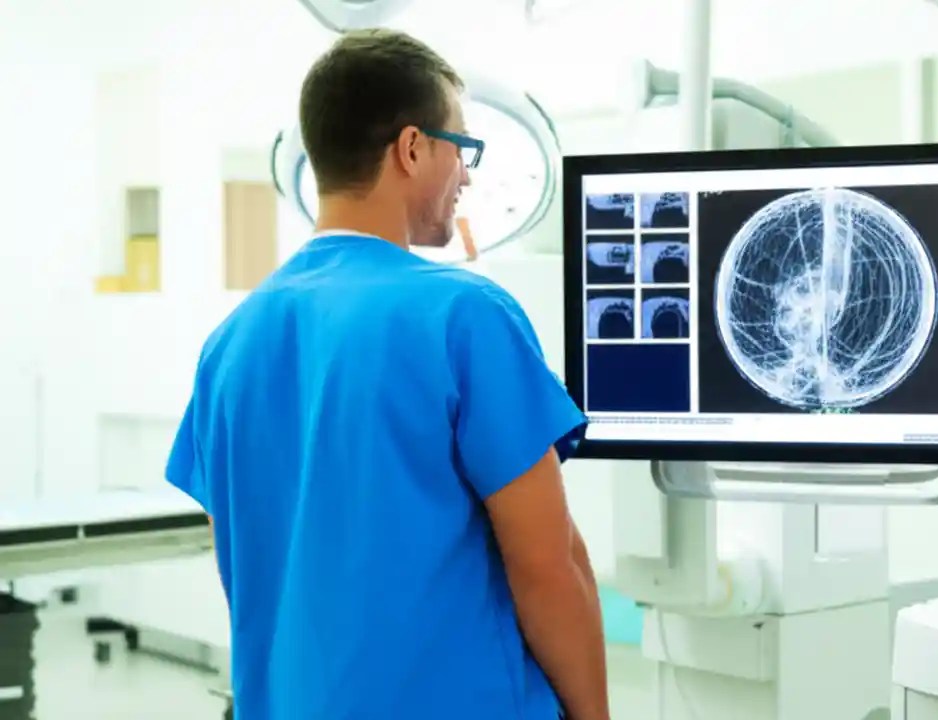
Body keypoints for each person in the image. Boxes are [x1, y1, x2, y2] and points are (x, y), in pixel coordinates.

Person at [164, 29, 609, 720]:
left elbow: (254, 565)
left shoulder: (230, 343)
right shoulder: (465, 315)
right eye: (461, 148)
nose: (466, 175)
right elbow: (550, 567)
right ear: (412, 148)